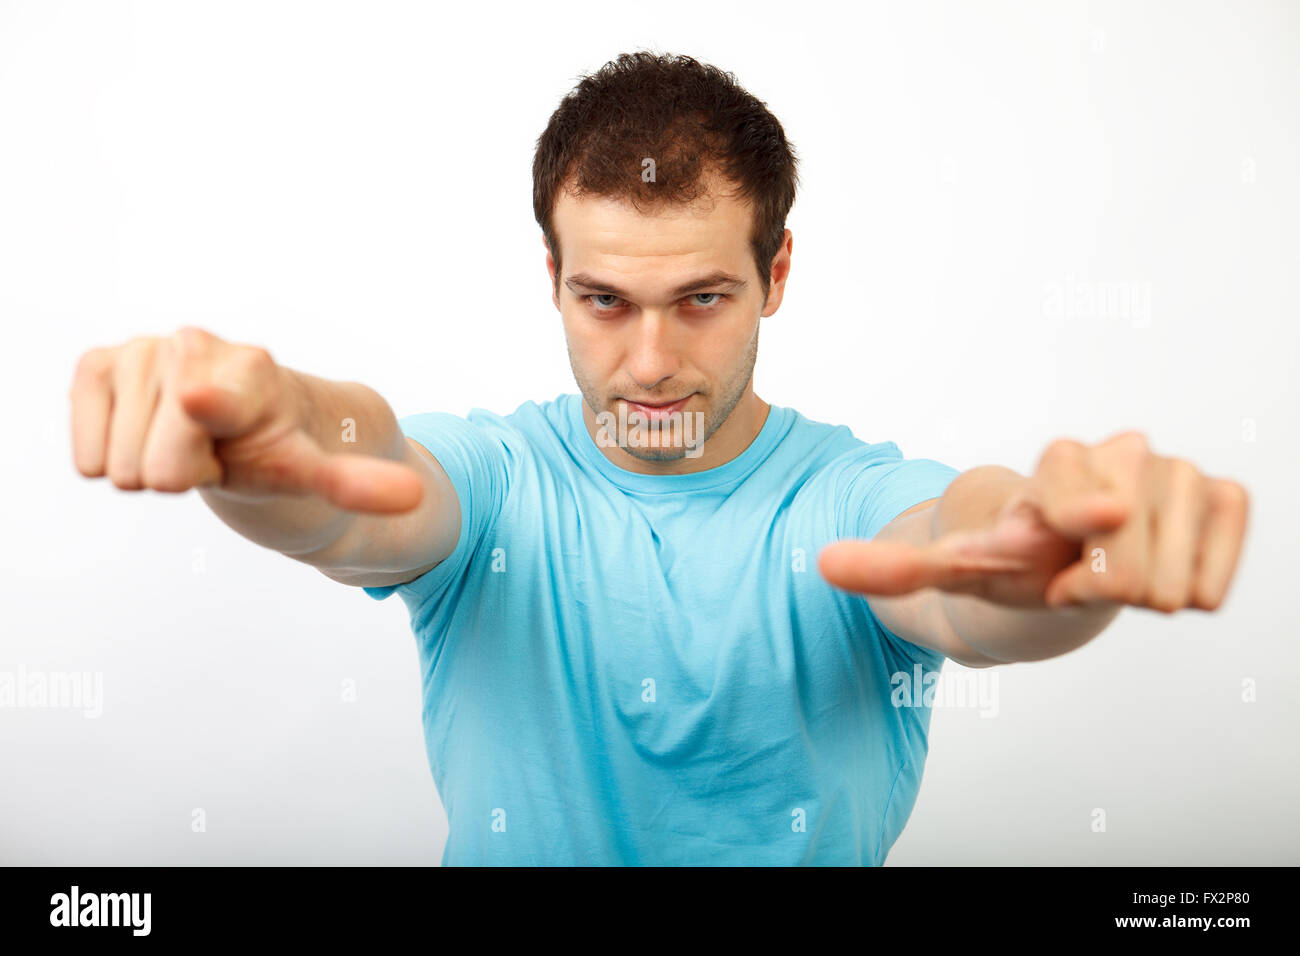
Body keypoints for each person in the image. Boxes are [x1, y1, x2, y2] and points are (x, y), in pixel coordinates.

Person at [68, 52, 1249, 865]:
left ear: (775, 277)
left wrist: (1052, 561)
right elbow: (356, 489)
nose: (646, 362)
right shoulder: (498, 479)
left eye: (699, 298)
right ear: (552, 281)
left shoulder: (847, 496)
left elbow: (960, 558)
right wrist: (268, 442)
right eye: (602, 299)